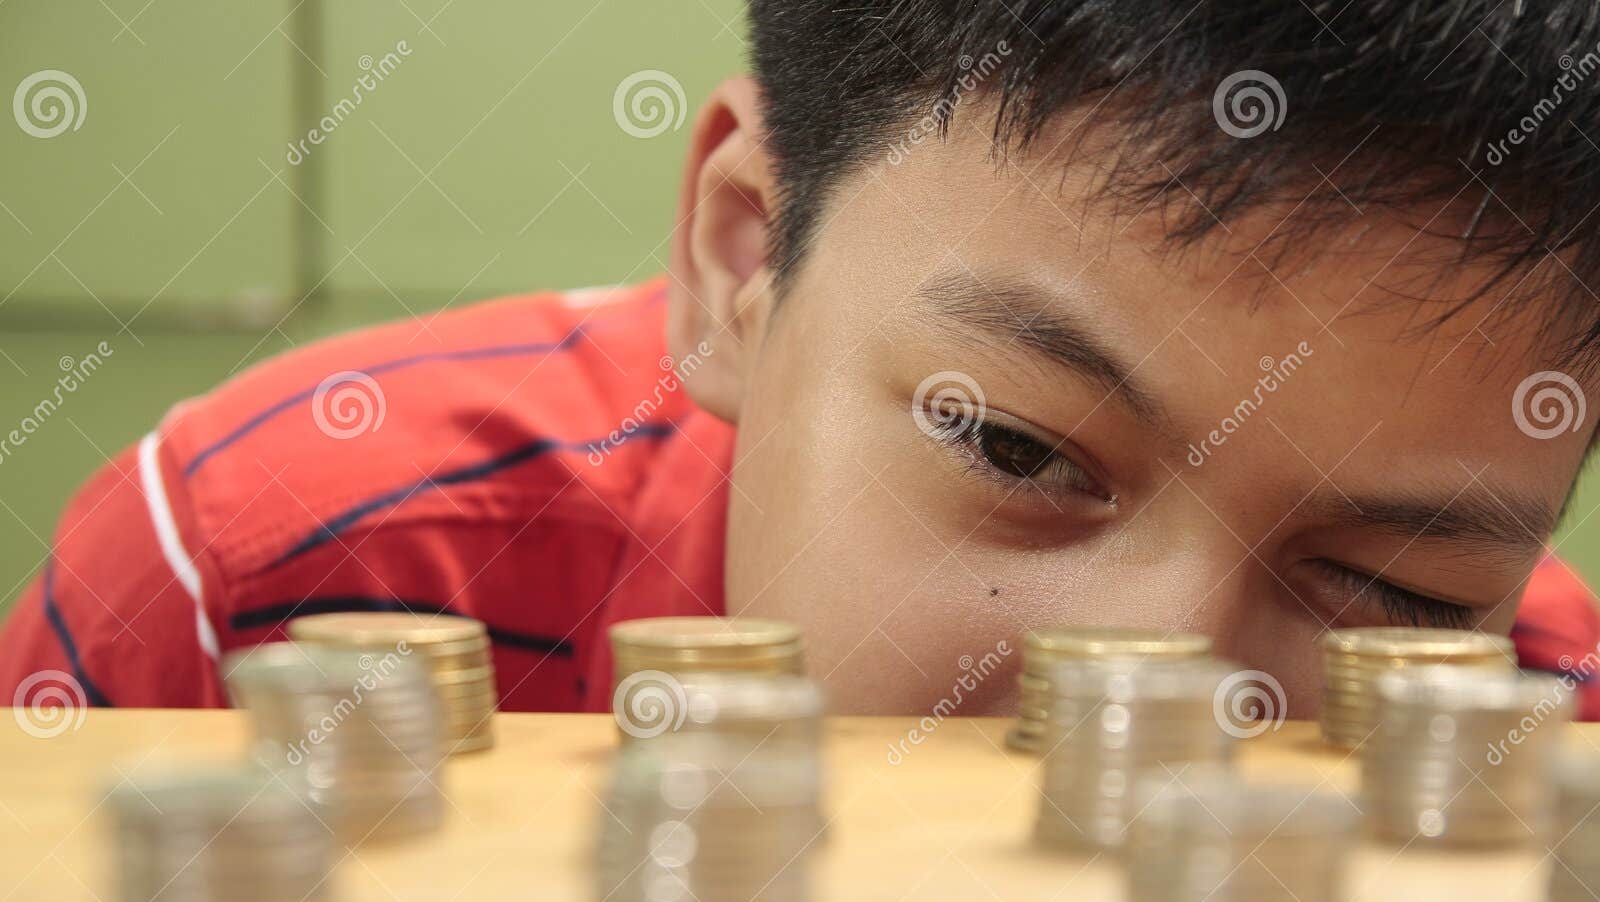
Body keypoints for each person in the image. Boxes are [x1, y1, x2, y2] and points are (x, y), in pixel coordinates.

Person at [5, 1, 1600, 721]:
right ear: (744, 260)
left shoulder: (1557, 733)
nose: (1161, 693)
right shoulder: (254, 592)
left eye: (1397, 585)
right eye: (1018, 451)